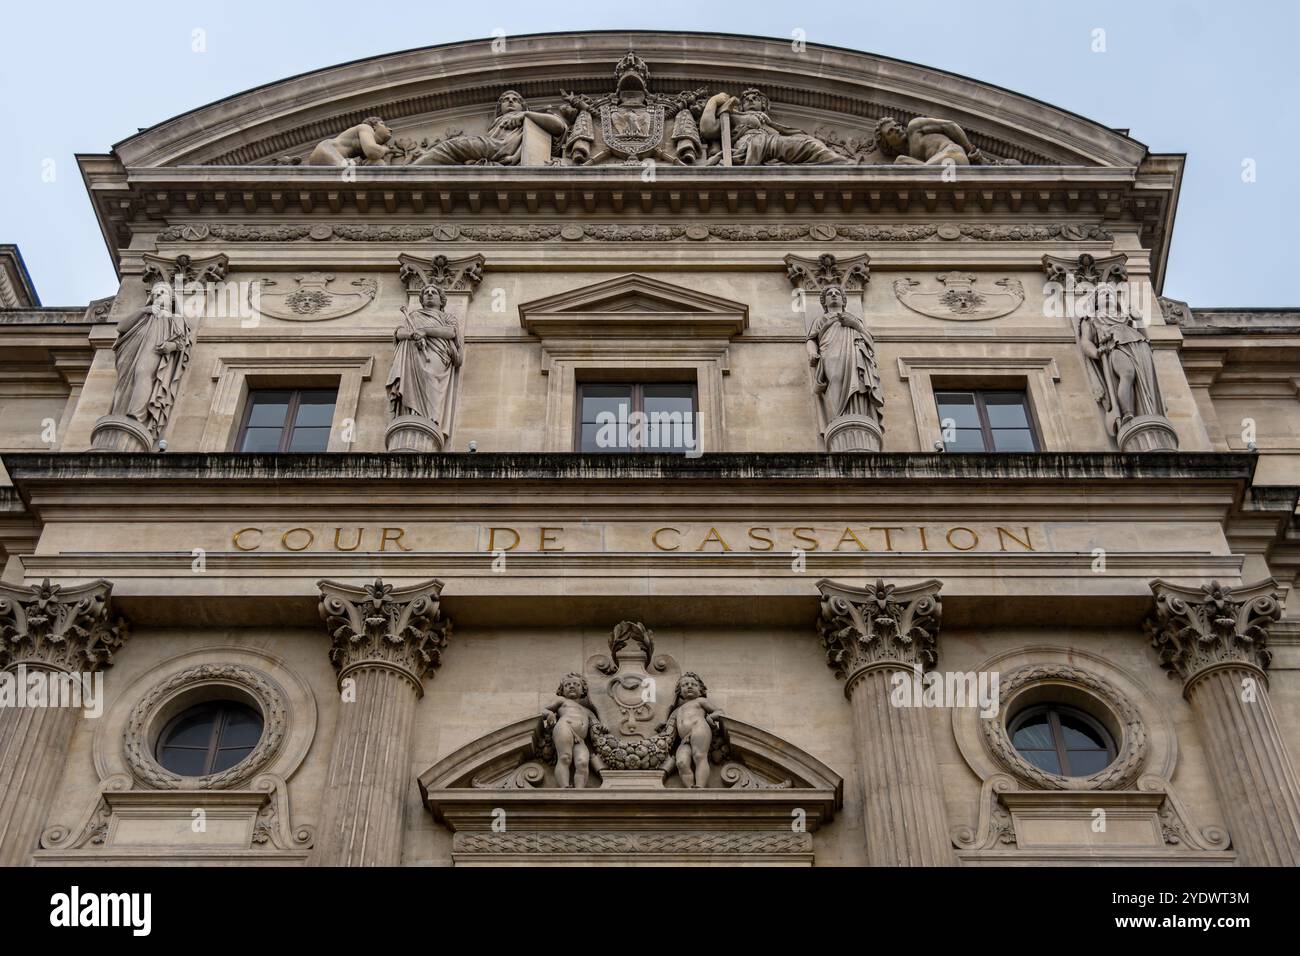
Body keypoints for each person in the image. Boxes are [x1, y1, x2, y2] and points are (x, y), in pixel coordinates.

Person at [412, 90, 567, 166]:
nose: (511, 102)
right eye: (505, 100)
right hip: (495, 147)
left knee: (451, 146)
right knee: (449, 152)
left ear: (523, 105)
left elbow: (559, 126)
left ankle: (413, 170)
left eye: (515, 100)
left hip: (501, 148)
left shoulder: (529, 116)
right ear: (499, 108)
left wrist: (525, 114)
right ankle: (419, 169)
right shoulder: (501, 120)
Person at [700, 88, 850, 165]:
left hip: (773, 145)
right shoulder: (734, 117)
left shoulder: (772, 125)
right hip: (755, 144)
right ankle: (845, 166)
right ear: (742, 105)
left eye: (755, 98)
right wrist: (713, 101)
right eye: (746, 100)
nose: (750, 100)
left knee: (811, 143)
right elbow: (707, 129)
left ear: (764, 104)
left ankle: (844, 166)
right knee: (809, 144)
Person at [386, 284, 462, 433]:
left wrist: (424, 331)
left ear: (441, 300)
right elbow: (399, 333)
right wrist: (412, 335)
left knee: (430, 375)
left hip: (438, 353)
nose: (429, 294)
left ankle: (430, 420)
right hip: (413, 352)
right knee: (411, 381)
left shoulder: (447, 317)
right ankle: (412, 414)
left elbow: (451, 332)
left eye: (434, 292)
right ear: (421, 299)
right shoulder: (413, 316)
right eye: (426, 292)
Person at [806, 284, 885, 425]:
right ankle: (838, 418)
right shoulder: (820, 320)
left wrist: (854, 324)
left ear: (843, 300)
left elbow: (869, 340)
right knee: (835, 379)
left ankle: (859, 415)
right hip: (830, 353)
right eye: (830, 293)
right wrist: (812, 352)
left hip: (854, 351)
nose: (834, 295)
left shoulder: (854, 319)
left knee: (858, 379)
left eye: (837, 293)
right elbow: (811, 339)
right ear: (824, 302)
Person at [660, 672, 723, 788]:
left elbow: (719, 712)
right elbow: (668, 728)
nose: (689, 686)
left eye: (693, 684)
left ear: (700, 690)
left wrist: (710, 718)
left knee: (699, 756)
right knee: (681, 762)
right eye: (685, 685)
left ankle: (700, 786)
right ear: (680, 691)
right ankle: (690, 788)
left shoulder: (700, 701)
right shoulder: (677, 710)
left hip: (699, 728)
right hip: (684, 738)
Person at [541, 673, 598, 788]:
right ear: (562, 690)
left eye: (576, 684)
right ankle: (564, 787)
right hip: (565, 727)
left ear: (583, 690)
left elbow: (596, 723)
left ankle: (579, 789)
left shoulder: (588, 711)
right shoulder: (562, 701)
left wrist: (601, 727)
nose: (571, 686)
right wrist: (550, 714)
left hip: (580, 738)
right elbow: (544, 710)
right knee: (565, 757)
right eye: (567, 685)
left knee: (582, 762)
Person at [304, 117, 394, 166]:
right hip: (328, 150)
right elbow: (372, 151)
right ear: (374, 126)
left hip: (328, 154)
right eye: (382, 124)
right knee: (348, 177)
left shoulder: (363, 144)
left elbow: (371, 160)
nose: (390, 129)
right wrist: (385, 149)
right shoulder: (365, 127)